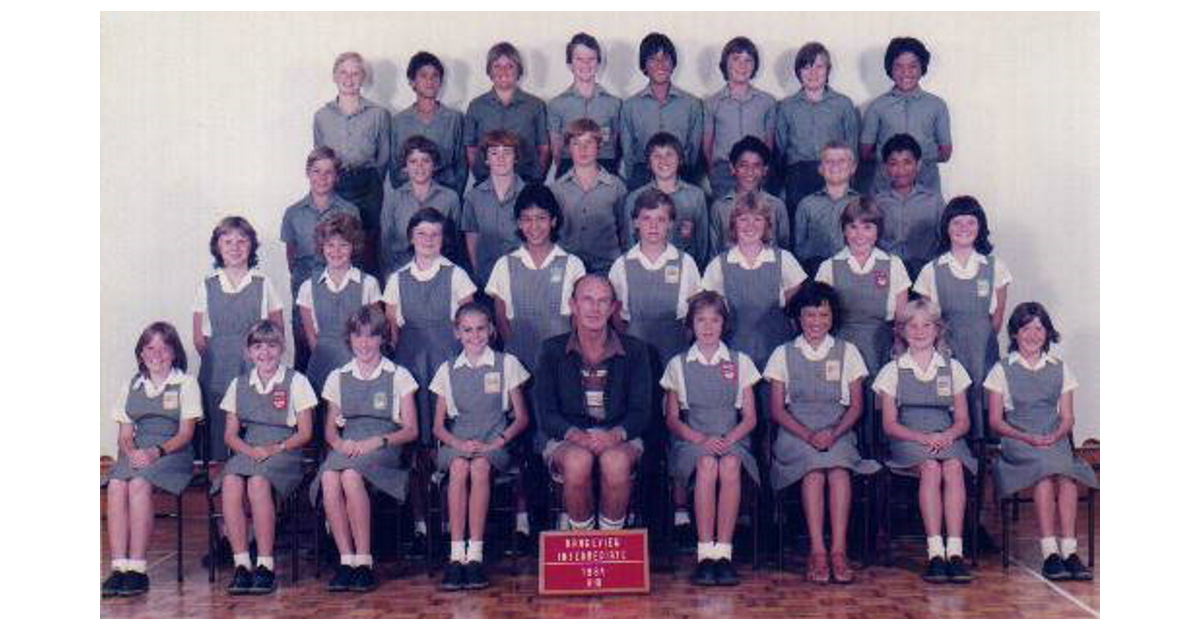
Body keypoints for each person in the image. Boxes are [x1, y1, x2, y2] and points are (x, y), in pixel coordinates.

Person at [765, 282, 879, 584]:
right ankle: (817, 551)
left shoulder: (848, 352)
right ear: (798, 318)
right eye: (810, 315)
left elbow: (856, 406)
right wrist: (808, 435)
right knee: (814, 471)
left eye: (823, 315)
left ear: (833, 318)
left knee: (839, 470)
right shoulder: (782, 353)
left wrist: (832, 432)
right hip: (795, 432)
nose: (816, 322)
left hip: (838, 429)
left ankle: (838, 551)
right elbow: (777, 409)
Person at [382, 207, 476, 550]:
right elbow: (392, 334)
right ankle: (422, 524)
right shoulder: (396, 279)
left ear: (444, 239)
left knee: (449, 440)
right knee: (418, 449)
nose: (428, 240)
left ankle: (454, 522)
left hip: (449, 364)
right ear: (410, 238)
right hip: (412, 367)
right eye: (421, 234)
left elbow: (469, 323)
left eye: (435, 234)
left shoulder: (457, 275)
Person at [985, 302, 1097, 581]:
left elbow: (1068, 418)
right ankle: (1050, 553)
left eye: (1039, 328)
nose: (1033, 335)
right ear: (1014, 333)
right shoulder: (1001, 370)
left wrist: (1055, 436)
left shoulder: (1060, 369)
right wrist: (1027, 437)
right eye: (1026, 328)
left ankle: (1069, 552)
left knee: (1067, 477)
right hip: (1017, 438)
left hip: (1052, 435)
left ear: (1047, 333)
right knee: (1045, 476)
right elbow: (996, 421)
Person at [311, 305, 419, 593]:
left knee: (348, 476)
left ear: (383, 338)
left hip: (384, 446)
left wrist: (378, 442)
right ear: (350, 339)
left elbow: (410, 429)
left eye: (372, 336)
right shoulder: (338, 376)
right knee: (330, 478)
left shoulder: (399, 375)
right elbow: (330, 429)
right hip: (349, 444)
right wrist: (339, 443)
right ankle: (346, 560)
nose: (365, 343)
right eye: (358, 336)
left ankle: (364, 561)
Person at [533, 274, 654, 531]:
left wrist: (614, 435)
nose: (594, 308)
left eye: (602, 301)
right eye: (587, 300)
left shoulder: (636, 350)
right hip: (567, 436)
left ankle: (610, 541)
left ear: (613, 308)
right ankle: (583, 539)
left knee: (615, 462)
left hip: (620, 434)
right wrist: (578, 436)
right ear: (573, 305)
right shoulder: (551, 350)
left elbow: (641, 411)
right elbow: (546, 412)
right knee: (578, 462)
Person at [873, 298, 977, 584]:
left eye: (926, 325)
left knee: (953, 466)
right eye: (912, 326)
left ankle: (954, 552)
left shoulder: (952, 367)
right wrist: (922, 437)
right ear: (902, 331)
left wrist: (947, 436)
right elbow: (890, 424)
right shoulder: (892, 370)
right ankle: (934, 552)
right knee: (931, 468)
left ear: (937, 329)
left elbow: (963, 420)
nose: (919, 332)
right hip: (909, 439)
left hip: (946, 437)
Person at [661, 291, 761, 586]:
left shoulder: (740, 361)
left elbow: (751, 418)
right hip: (692, 440)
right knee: (707, 465)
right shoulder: (678, 364)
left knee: (729, 466)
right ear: (690, 325)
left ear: (724, 324)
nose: (708, 327)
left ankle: (724, 554)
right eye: (700, 320)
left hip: (733, 438)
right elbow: (672, 419)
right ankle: (705, 553)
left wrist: (729, 438)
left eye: (715, 320)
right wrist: (701, 439)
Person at [432, 303, 532, 590]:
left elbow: (522, 417)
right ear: (457, 333)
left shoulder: (506, 363)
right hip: (458, 439)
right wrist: (458, 443)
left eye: (480, 329)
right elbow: (438, 426)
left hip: (494, 439)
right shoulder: (447, 369)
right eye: (467, 330)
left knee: (479, 467)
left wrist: (496, 443)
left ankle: (474, 555)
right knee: (460, 466)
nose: (474, 336)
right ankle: (456, 556)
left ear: (491, 329)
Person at [214, 320, 316, 595]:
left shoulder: (297, 381)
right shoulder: (239, 384)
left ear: (281, 348)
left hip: (285, 450)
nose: (265, 353)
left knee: (258, 483)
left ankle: (265, 565)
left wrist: (274, 449)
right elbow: (230, 435)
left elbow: (305, 432)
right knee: (232, 483)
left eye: (271, 346)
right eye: (258, 346)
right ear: (249, 352)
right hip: (250, 449)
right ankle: (241, 563)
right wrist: (251, 451)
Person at [103, 322, 201, 598]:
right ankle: (119, 567)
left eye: (164, 348)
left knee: (138, 484)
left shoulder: (186, 383)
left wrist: (155, 452)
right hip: (137, 451)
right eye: (150, 348)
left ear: (174, 352)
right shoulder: (131, 384)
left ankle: (138, 569)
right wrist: (132, 451)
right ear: (141, 353)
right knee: (116, 485)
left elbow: (186, 433)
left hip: (173, 452)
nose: (156, 354)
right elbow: (124, 435)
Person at [913, 196, 1011, 437]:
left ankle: (981, 452)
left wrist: (983, 342)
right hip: (947, 344)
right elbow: (926, 318)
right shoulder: (932, 270)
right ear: (946, 227)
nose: (964, 229)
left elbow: (997, 317)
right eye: (957, 223)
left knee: (981, 395)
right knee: (951, 393)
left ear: (981, 227)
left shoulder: (994, 266)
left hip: (982, 347)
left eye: (971, 223)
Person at [193, 216, 284, 462]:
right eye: (228, 241)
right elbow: (199, 339)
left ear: (252, 246)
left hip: (256, 364)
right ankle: (220, 472)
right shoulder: (207, 285)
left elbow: (277, 332)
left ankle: (258, 466)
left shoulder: (264, 283)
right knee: (220, 421)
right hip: (218, 367)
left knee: (257, 416)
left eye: (242, 241)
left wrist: (257, 357)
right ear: (218, 247)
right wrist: (222, 355)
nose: (235, 247)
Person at [485, 183, 587, 372]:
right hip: (518, 357)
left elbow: (578, 318)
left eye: (541, 218)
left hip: (561, 357)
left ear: (553, 221)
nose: (534, 226)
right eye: (527, 219)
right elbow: (500, 317)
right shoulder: (504, 264)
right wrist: (515, 353)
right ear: (519, 223)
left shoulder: (573, 264)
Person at [702, 191, 806, 371]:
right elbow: (709, 309)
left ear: (767, 225)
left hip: (777, 351)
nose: (750, 226)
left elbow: (799, 297)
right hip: (733, 351)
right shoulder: (718, 264)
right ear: (733, 224)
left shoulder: (784, 260)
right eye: (743, 219)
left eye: (757, 219)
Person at [296, 214, 383, 422]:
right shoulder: (308, 287)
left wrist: (363, 362)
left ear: (354, 247)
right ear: (321, 247)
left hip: (359, 359)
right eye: (330, 245)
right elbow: (311, 335)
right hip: (323, 361)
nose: (336, 251)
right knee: (323, 420)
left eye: (343, 245)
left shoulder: (369, 283)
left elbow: (374, 330)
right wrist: (323, 358)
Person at [280, 146, 361, 371]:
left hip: (339, 289)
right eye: (316, 171)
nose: (322, 178)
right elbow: (291, 256)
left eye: (329, 172)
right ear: (307, 173)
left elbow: (354, 251)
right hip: (305, 286)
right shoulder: (293, 212)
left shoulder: (350, 210)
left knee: (343, 348)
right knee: (306, 351)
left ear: (337, 176)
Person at [313, 51, 391, 277]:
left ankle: (370, 303)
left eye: (355, 73)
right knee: (336, 241)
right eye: (343, 73)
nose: (349, 78)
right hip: (335, 184)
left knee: (367, 246)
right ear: (335, 76)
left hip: (368, 185)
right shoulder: (322, 116)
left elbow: (384, 157)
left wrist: (371, 179)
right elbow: (320, 154)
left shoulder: (378, 114)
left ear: (363, 77)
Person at [814, 198, 911, 376]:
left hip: (882, 345)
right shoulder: (829, 266)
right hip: (841, 344)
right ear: (844, 229)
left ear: (878, 231)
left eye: (867, 227)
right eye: (853, 227)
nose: (860, 235)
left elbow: (902, 317)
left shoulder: (893, 264)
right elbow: (820, 316)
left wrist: (899, 346)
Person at [609, 187, 702, 365]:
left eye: (661, 219)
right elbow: (616, 316)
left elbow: (695, 309)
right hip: (635, 354)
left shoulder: (686, 263)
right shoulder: (621, 265)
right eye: (646, 218)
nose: (653, 226)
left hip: (675, 352)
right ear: (636, 222)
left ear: (671, 223)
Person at [860, 37, 952, 196]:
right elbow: (865, 152)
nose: (906, 73)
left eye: (912, 66)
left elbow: (945, 153)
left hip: (926, 185)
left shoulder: (937, 105)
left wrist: (917, 160)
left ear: (922, 67)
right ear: (890, 68)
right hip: (885, 189)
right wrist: (894, 162)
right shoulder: (877, 107)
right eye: (899, 67)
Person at [776, 42, 859, 217]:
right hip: (799, 176)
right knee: (800, 222)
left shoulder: (843, 104)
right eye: (806, 67)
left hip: (835, 172)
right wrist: (781, 184)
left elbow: (852, 146)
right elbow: (780, 149)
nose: (813, 73)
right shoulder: (787, 106)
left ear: (828, 70)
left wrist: (850, 180)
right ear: (798, 72)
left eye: (819, 67)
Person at [620, 32, 704, 190]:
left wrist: (685, 174)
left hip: (682, 176)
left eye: (665, 58)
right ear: (644, 65)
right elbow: (628, 152)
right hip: (643, 177)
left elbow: (694, 151)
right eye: (653, 59)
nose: (660, 64)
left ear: (673, 63)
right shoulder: (629, 106)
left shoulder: (692, 105)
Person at [703, 36, 777, 200]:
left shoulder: (767, 102)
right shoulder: (712, 103)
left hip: (757, 171)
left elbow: (769, 143)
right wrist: (713, 172)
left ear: (754, 65)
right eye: (736, 59)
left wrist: (764, 170)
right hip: (723, 172)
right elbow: (707, 146)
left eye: (748, 60)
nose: (742, 66)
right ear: (725, 63)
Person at [465, 42, 549, 185]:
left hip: (526, 182)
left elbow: (544, 148)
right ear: (489, 71)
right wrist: (481, 176)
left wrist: (535, 178)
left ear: (519, 70)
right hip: (488, 183)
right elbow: (471, 149)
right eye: (497, 66)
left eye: (510, 66)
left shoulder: (535, 105)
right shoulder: (476, 106)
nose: (503, 71)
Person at [552, 117, 628, 274]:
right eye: (576, 143)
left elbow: (625, 229)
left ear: (599, 145)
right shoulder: (557, 188)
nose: (583, 149)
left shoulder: (616, 186)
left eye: (589, 143)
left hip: (608, 266)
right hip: (568, 267)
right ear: (567, 148)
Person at [624, 132, 711, 266]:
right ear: (648, 163)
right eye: (656, 156)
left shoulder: (696, 196)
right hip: (645, 269)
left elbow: (702, 243)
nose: (663, 161)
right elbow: (630, 242)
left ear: (680, 159)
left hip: (685, 269)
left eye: (669, 154)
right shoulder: (635, 198)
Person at [380, 135, 463, 274]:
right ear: (405, 167)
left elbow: (456, 244)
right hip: (401, 270)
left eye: (426, 161)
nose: (419, 166)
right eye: (413, 161)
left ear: (434, 165)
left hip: (440, 272)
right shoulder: (393, 198)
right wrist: (390, 277)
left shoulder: (450, 198)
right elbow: (385, 243)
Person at [390, 51, 467, 196]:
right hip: (410, 196)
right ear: (412, 82)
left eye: (435, 76)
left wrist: (453, 197)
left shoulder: (454, 119)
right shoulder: (399, 122)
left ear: (441, 82)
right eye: (423, 75)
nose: (430, 81)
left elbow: (461, 166)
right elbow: (395, 168)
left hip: (446, 193)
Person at [548, 33, 623, 178]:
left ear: (599, 63)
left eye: (591, 59)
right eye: (579, 59)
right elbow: (556, 152)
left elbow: (616, 145)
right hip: (569, 167)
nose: (586, 64)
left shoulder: (614, 104)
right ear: (570, 64)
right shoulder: (556, 105)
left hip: (605, 166)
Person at [874, 133, 944, 279]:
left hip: (925, 273)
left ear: (918, 165)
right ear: (885, 167)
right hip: (887, 273)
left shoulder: (934, 201)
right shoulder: (876, 203)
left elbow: (945, 240)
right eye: (893, 163)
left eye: (907, 162)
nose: (901, 170)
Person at [462, 130, 526, 286]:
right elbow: (472, 238)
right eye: (494, 153)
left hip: (522, 274)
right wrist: (477, 271)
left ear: (516, 157)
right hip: (486, 275)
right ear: (486, 159)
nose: (501, 158)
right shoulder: (473, 197)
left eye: (507, 152)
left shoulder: (529, 194)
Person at [709, 136, 790, 250]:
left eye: (756, 166)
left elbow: (784, 249)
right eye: (743, 165)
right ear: (732, 168)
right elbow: (714, 252)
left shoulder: (777, 206)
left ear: (765, 170)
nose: (750, 172)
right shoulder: (719, 208)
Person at [792, 141, 861, 275]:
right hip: (814, 272)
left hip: (853, 271)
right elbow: (799, 247)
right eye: (829, 161)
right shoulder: (806, 204)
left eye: (842, 161)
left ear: (853, 168)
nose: (835, 165)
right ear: (820, 169)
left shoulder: (862, 203)